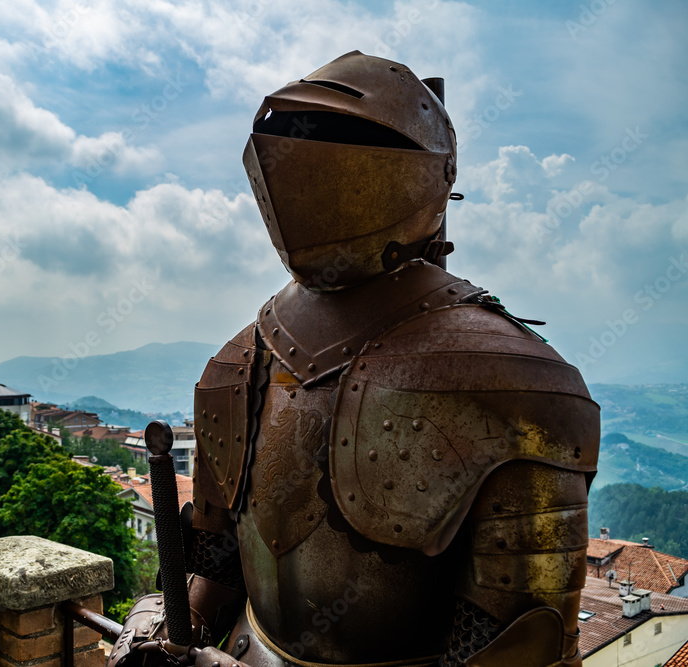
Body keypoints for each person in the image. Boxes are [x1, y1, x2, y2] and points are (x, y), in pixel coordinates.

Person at [110, 50, 599, 667]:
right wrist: (166, 629)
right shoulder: (238, 365)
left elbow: (517, 653)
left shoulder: (511, 386)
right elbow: (215, 565)